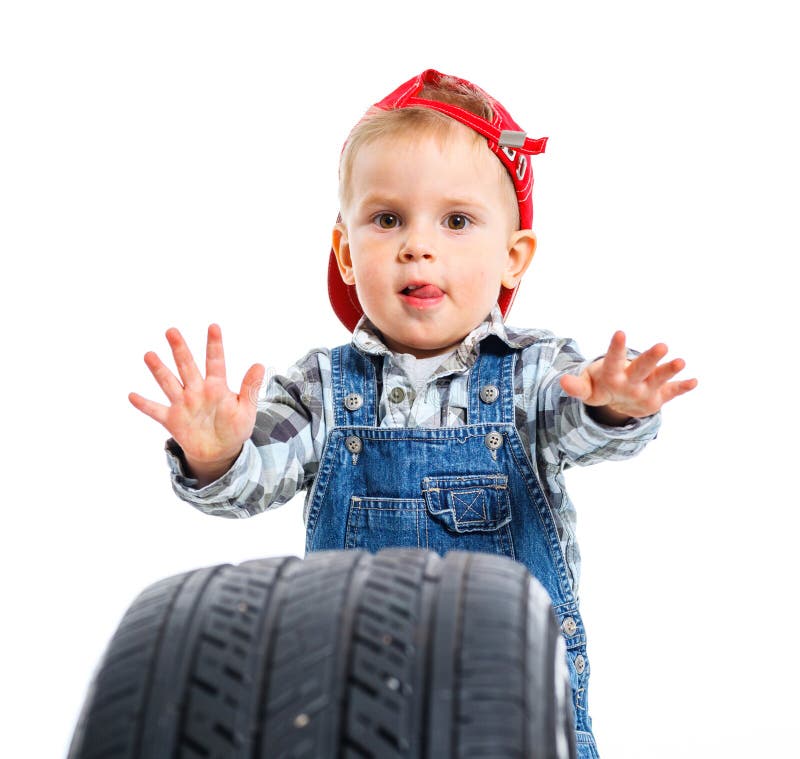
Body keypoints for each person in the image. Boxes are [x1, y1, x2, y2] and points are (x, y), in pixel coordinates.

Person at [129, 69, 697, 757]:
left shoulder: (536, 373)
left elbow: (577, 425)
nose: (417, 245)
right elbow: (259, 474)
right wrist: (217, 453)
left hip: (511, 705)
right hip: (352, 706)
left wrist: (613, 408)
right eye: (387, 219)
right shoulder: (321, 388)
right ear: (345, 252)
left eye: (456, 221)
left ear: (513, 258)